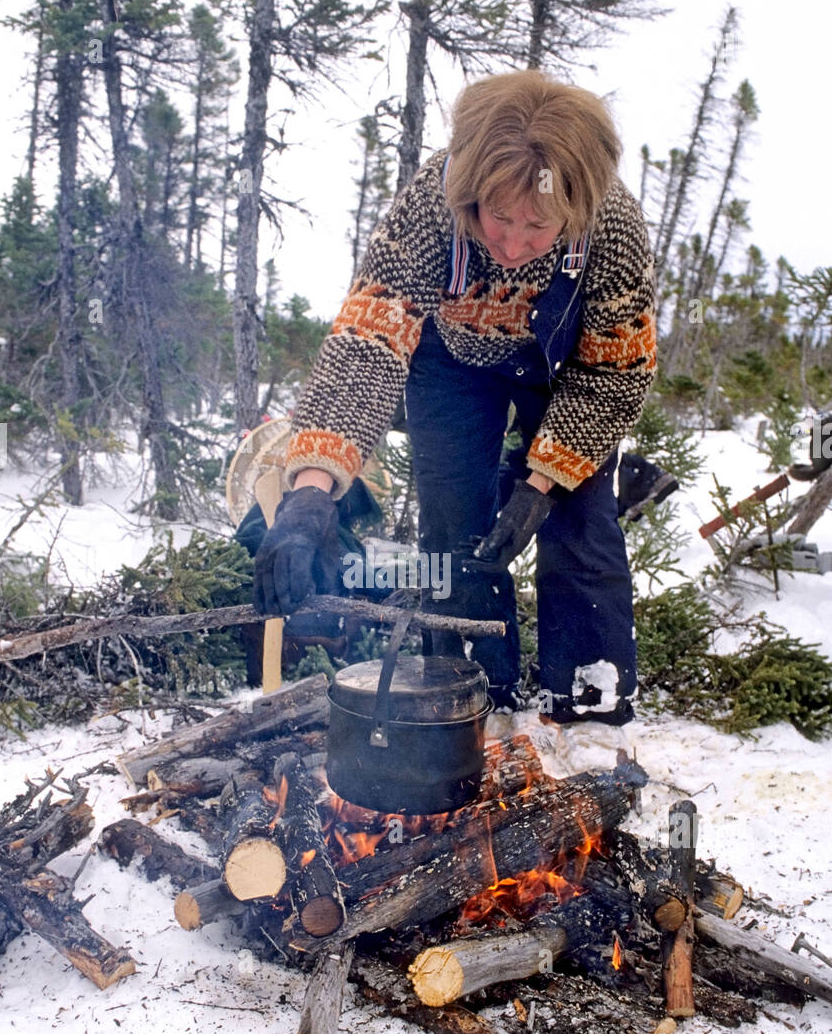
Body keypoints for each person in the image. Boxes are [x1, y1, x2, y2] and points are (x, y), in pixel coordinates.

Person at [253, 70, 658, 725]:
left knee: (580, 523)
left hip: (562, 367)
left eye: (537, 227)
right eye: (498, 218)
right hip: (451, 358)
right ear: (469, 190)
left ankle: (588, 702)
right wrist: (308, 490)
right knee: (452, 526)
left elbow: (615, 370)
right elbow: (368, 342)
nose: (512, 245)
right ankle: (468, 695)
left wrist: (542, 483)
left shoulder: (609, 223)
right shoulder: (427, 205)